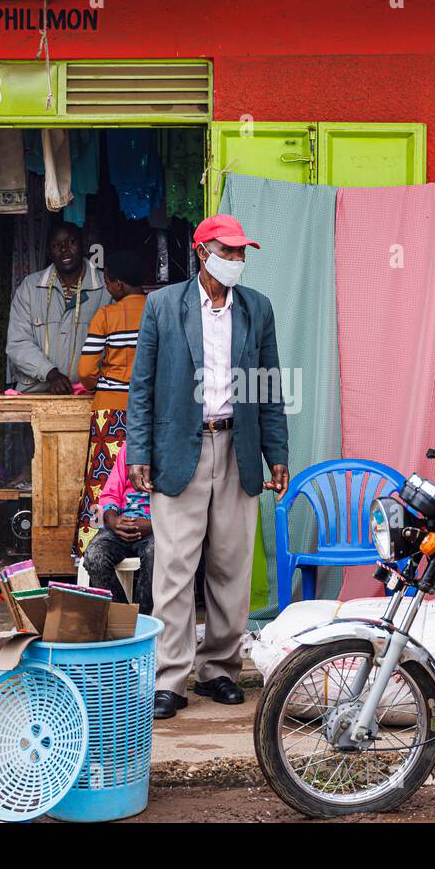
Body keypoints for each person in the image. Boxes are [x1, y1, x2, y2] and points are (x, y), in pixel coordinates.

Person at [127, 214, 289, 720]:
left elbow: (268, 387)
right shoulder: (163, 305)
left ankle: (219, 669)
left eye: (241, 253)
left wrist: (277, 454)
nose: (237, 261)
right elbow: (141, 385)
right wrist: (138, 453)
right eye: (229, 252)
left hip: (238, 446)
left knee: (230, 566)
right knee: (174, 570)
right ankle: (169, 677)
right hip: (180, 448)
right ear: (202, 253)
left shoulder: (257, 308)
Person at [73, 249, 148, 556]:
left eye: (107, 281)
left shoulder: (106, 315)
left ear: (117, 283)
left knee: (104, 481)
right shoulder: (158, 310)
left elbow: (85, 371)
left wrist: (101, 383)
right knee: (144, 479)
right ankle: (146, 538)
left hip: (110, 412)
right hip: (149, 409)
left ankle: (92, 547)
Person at [6, 221, 107, 395]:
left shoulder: (105, 287)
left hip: (91, 396)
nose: (64, 249)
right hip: (37, 394)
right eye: (56, 245)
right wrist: (50, 373)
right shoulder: (30, 287)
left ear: (83, 246)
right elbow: (18, 343)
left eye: (71, 242)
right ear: (48, 252)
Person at [82, 442, 153, 613]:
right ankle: (123, 617)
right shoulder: (130, 447)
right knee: (94, 556)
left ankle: (141, 619)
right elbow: (110, 494)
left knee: (157, 555)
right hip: (121, 524)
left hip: (157, 528)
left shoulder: (175, 450)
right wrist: (113, 520)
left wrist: (154, 525)